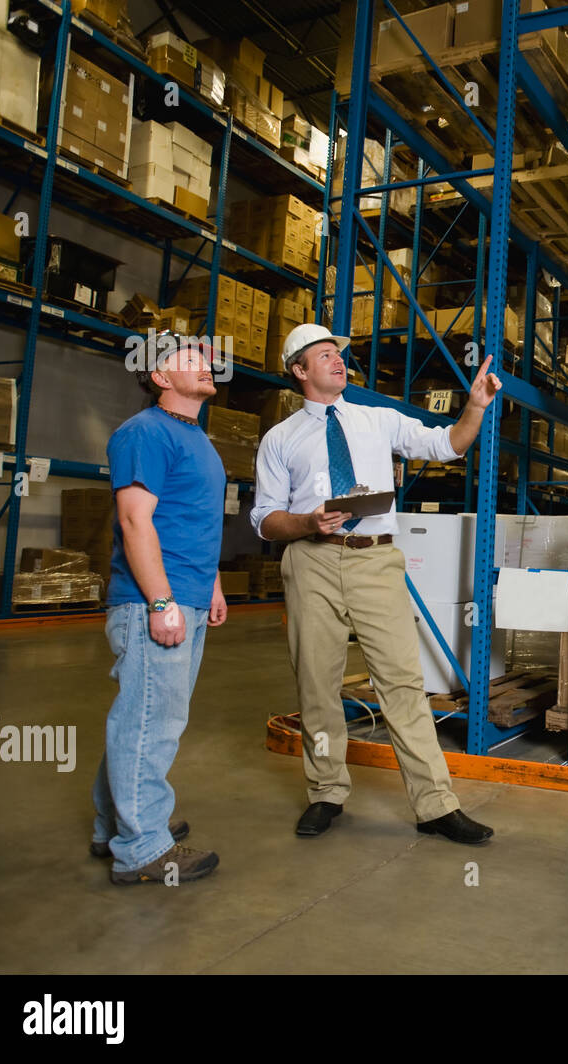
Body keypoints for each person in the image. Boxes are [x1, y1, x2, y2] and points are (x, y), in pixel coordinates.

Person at [251, 323, 501, 844]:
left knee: (403, 683)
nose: (338, 361)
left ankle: (435, 805)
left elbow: (447, 445)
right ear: (300, 371)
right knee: (316, 684)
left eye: (338, 354)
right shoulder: (280, 439)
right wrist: (306, 523)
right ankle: (325, 793)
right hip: (311, 562)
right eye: (324, 355)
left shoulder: (377, 420)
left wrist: (475, 406)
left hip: (376, 561)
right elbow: (265, 518)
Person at [92, 333, 229, 885]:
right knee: (152, 721)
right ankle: (143, 849)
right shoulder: (144, 431)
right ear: (159, 378)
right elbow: (134, 521)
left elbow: (194, 522)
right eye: (188, 359)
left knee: (141, 717)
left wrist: (213, 585)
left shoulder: (197, 438)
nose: (205, 364)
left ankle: (115, 828)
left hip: (189, 597)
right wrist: (162, 600)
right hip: (156, 601)